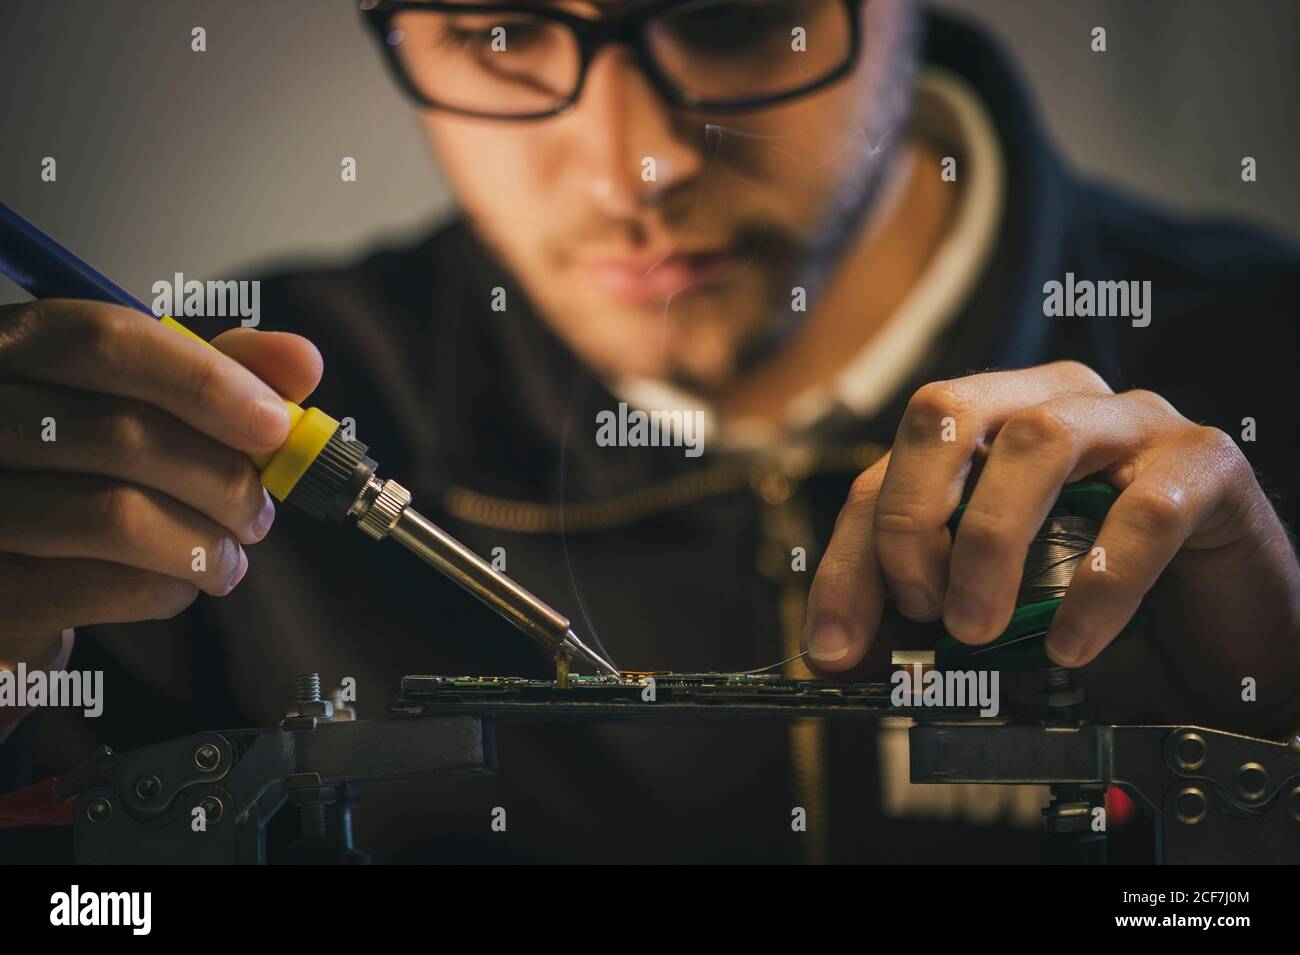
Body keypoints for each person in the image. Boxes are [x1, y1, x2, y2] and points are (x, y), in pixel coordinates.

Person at [2, 0, 1297, 864]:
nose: (637, 168)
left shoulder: (1266, 367)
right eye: (501, 27)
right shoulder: (168, 442)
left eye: (733, 16)